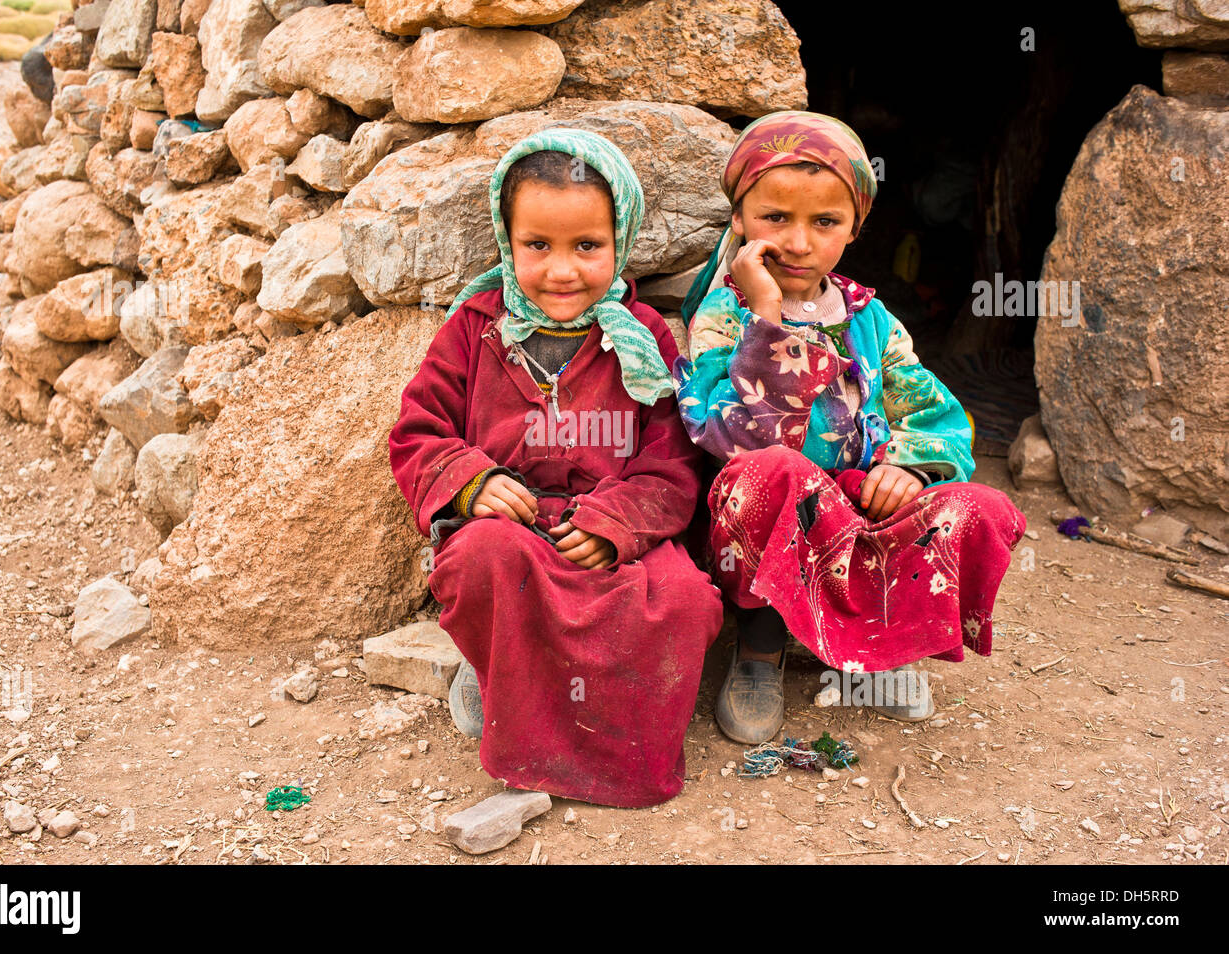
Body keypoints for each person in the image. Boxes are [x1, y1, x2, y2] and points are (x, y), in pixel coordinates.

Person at [389, 128, 723, 808]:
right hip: (511, 532)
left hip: (613, 531)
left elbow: (673, 458)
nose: (562, 269)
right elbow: (417, 432)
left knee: (684, 602)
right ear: (507, 242)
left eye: (587, 247)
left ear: (620, 239)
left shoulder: (645, 338)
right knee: (481, 563)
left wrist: (617, 522)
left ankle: (605, 749)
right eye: (537, 245)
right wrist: (473, 481)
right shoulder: (474, 328)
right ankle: (495, 674)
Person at [673, 111, 1027, 744]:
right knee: (769, 473)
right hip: (771, 513)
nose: (799, 242)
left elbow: (937, 414)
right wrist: (768, 317)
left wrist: (909, 468)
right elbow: (734, 437)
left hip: (856, 513)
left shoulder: (872, 318)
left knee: (979, 507)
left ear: (855, 229)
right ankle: (760, 646)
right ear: (738, 221)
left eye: (825, 222)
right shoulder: (724, 317)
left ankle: (874, 653)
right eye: (775, 218)